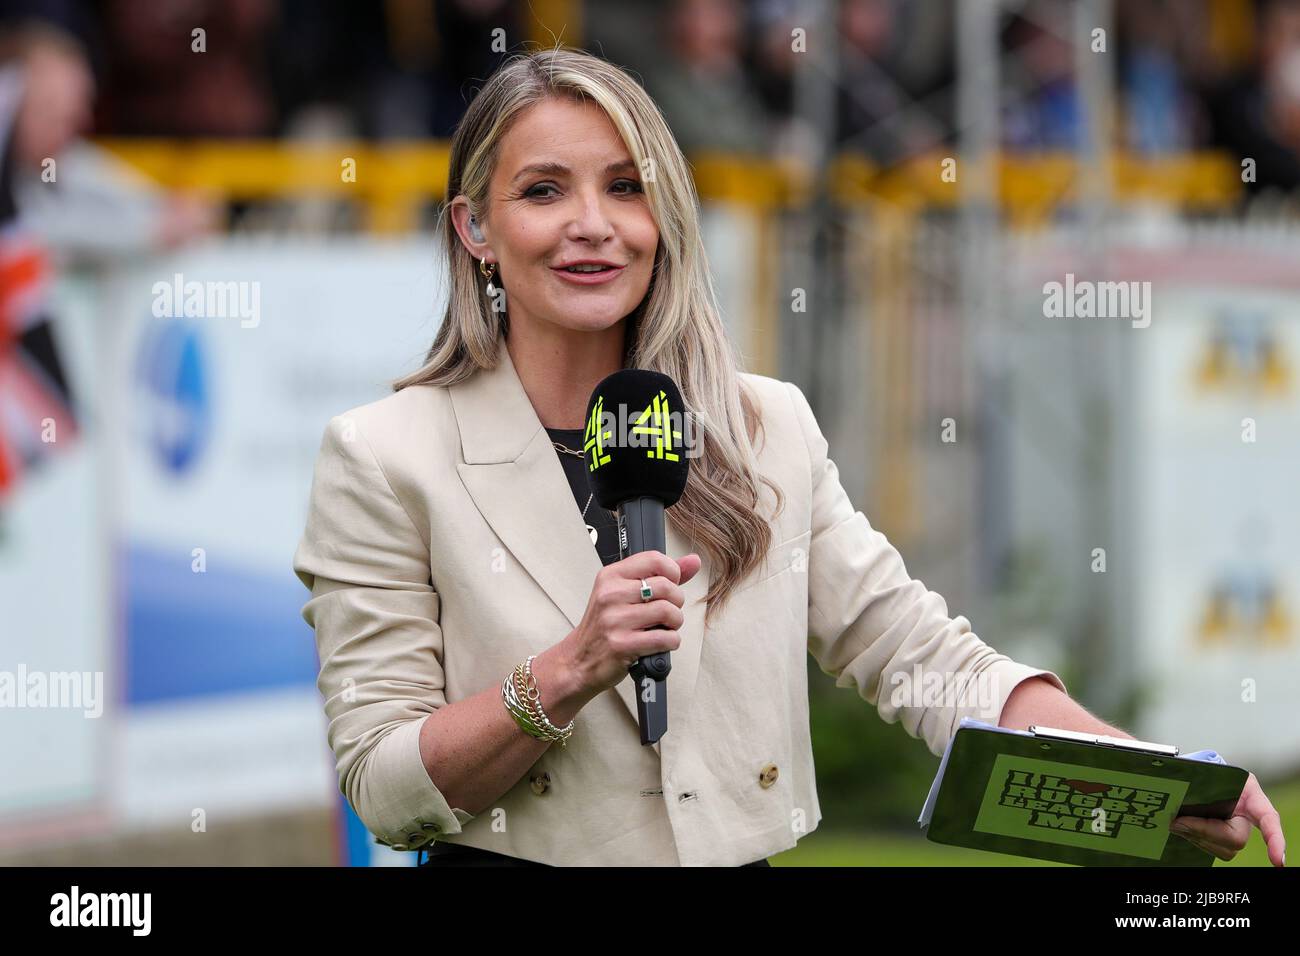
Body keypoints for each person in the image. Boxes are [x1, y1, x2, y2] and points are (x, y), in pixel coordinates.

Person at [292, 47, 1286, 868]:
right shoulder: (384, 456)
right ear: (475, 229)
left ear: (662, 219)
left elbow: (917, 654)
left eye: (626, 188)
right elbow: (385, 784)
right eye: (544, 190)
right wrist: (569, 668)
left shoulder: (764, 426)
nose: (591, 224)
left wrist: (1153, 775)